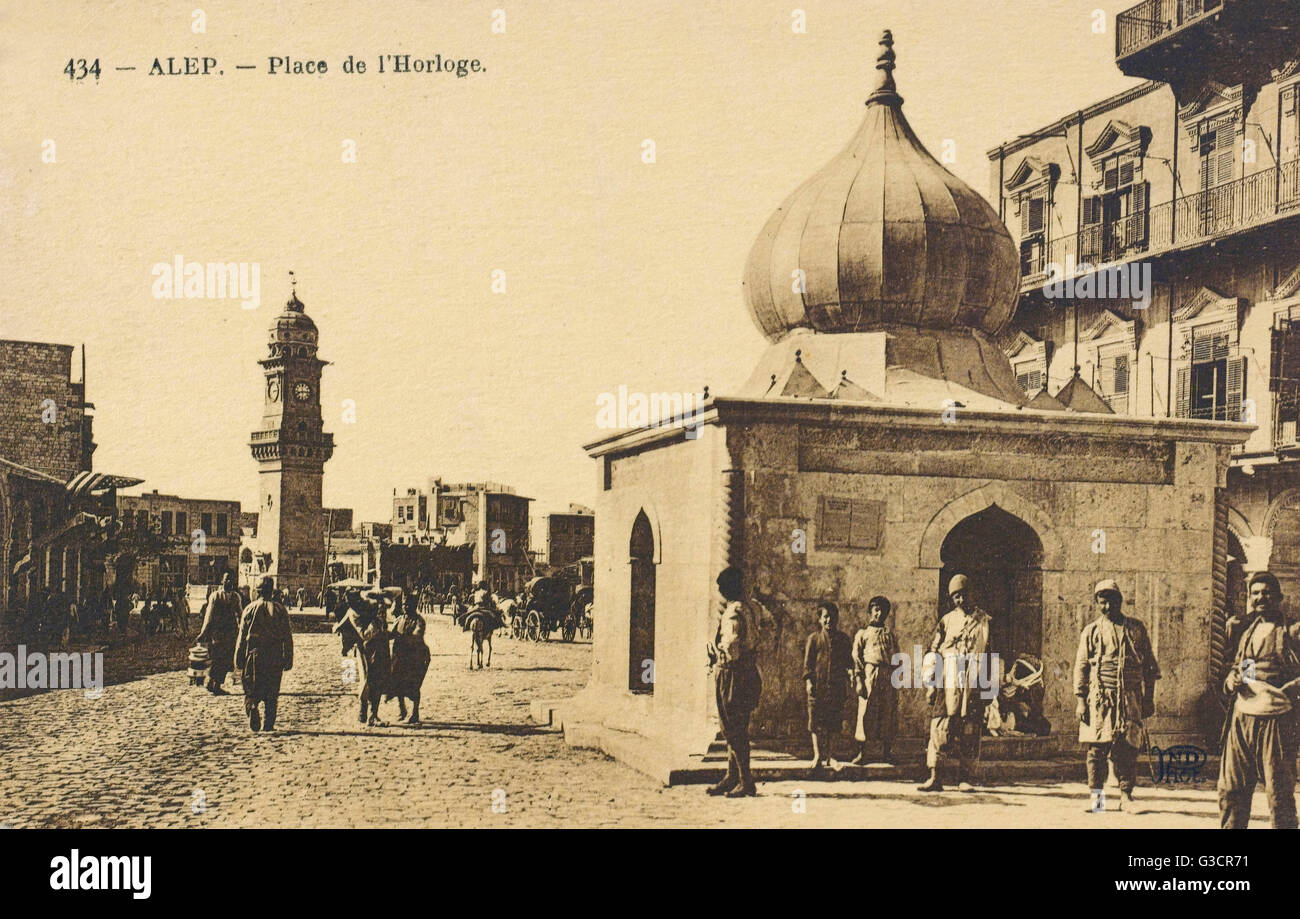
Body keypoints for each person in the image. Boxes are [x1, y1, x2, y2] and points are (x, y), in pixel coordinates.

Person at [1218, 571, 1300, 829]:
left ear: (1278, 597)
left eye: (1266, 592)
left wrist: (1293, 687)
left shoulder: (1293, 631)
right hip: (1242, 717)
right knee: (1231, 789)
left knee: (1279, 793)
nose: (1261, 597)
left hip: (1276, 721)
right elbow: (1244, 668)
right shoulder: (1246, 630)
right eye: (1255, 593)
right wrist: (1233, 680)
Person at [1074, 579, 1161, 814]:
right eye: (1102, 602)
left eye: (1111, 601)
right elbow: (1081, 667)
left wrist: (1148, 699)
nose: (1107, 607)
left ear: (1119, 601)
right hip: (1099, 698)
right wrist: (1081, 701)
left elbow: (1150, 669)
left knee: (1128, 748)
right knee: (1096, 750)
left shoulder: (1136, 629)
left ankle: (1126, 796)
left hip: (1130, 698)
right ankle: (1098, 800)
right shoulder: (1091, 631)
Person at [919, 574, 992, 793]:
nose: (961, 600)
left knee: (970, 729)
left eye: (964, 595)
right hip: (948, 678)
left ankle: (965, 777)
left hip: (973, 678)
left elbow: (990, 654)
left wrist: (989, 688)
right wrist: (931, 683)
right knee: (940, 727)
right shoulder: (946, 620)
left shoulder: (985, 621)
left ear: (973, 593)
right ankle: (935, 776)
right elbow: (933, 651)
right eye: (956, 597)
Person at [705, 566, 762, 797]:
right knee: (736, 727)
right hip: (746, 673)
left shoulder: (732, 613)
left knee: (733, 728)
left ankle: (745, 780)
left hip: (732, 674)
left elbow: (732, 647)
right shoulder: (749, 608)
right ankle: (732, 777)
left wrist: (716, 652)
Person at [234, 576, 294, 732]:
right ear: (272, 591)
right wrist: (288, 657)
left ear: (258, 591)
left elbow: (242, 636)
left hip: (255, 655)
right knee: (272, 691)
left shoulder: (250, 609)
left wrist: (239, 657)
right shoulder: (281, 610)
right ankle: (269, 723)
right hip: (275, 655)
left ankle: (253, 707)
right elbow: (287, 636)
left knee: (251, 686)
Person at [803, 600, 853, 773]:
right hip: (818, 688)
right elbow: (808, 665)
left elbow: (849, 663)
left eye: (832, 617)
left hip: (836, 688)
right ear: (820, 619)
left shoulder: (843, 640)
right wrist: (809, 683)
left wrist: (851, 675)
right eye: (825, 617)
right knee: (815, 722)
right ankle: (817, 756)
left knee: (834, 723)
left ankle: (831, 756)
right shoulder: (814, 639)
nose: (829, 620)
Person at [851, 595, 899, 765]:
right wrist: (859, 680)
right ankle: (862, 752)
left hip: (887, 675)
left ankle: (887, 752)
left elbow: (897, 657)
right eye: (876, 610)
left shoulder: (890, 635)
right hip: (870, 674)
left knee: (887, 713)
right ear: (870, 611)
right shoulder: (863, 634)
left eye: (883, 611)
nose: (879, 614)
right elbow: (856, 658)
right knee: (866, 712)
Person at [197, 571, 244, 694]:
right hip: (217, 632)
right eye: (226, 580)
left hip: (230, 633)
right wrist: (203, 632)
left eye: (231, 580)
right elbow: (209, 615)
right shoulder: (215, 596)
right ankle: (213, 683)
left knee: (226, 659)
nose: (228, 582)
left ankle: (214, 683)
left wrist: (242, 630)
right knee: (217, 658)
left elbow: (241, 615)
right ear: (222, 581)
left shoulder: (236, 597)